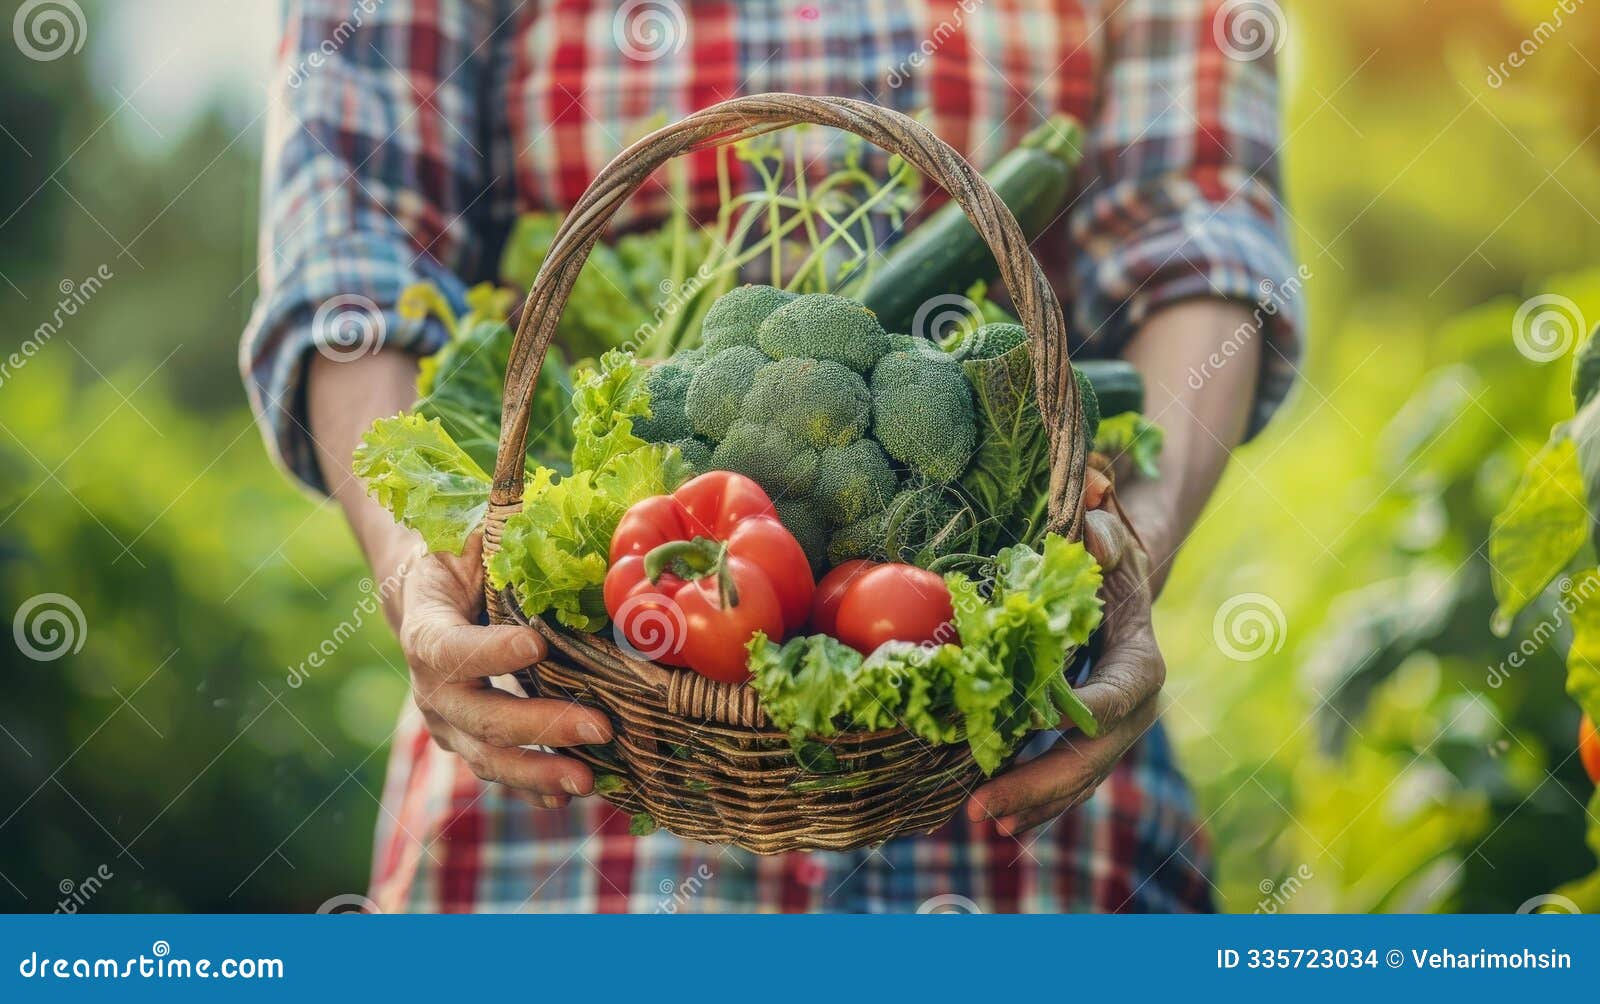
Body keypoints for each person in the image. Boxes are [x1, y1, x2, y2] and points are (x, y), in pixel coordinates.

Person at [242, 0, 1300, 913]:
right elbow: (350, 254)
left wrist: (1127, 550)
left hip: (1032, 795)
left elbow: (1200, 241)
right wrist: (422, 565)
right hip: (561, 789)